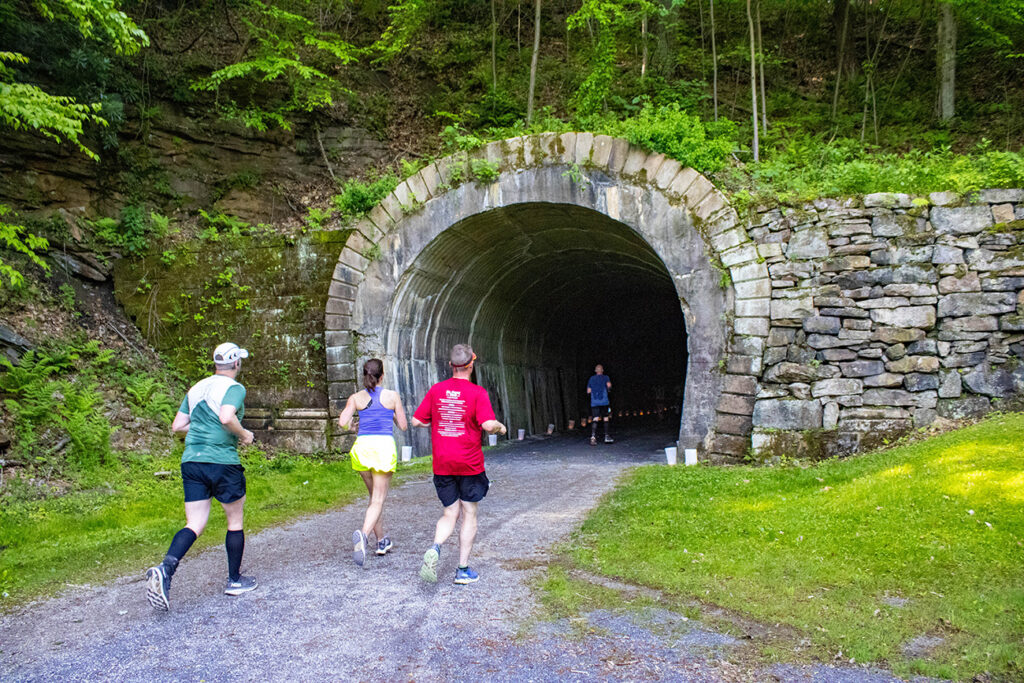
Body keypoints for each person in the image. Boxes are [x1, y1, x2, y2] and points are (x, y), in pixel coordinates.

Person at [146, 342, 257, 611]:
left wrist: (200, 431)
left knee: (194, 522)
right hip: (222, 461)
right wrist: (245, 436)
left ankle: (166, 569)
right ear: (236, 363)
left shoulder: (196, 388)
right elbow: (226, 416)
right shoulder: (235, 388)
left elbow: (178, 426)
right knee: (234, 520)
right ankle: (234, 580)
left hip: (191, 461)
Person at [412, 344, 506, 585]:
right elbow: (487, 425)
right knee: (469, 513)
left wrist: (439, 419)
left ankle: (435, 547)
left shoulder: (436, 390)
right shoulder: (477, 393)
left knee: (450, 513)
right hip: (469, 465)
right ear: (471, 365)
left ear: (451, 366)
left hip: (443, 464)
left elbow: (416, 421)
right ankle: (462, 569)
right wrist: (500, 426)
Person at [337, 358, 408, 567]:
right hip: (382, 448)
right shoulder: (392, 396)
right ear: (382, 376)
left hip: (363, 447)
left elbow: (342, 422)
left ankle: (381, 541)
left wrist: (352, 425)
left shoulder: (356, 398)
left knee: (373, 499)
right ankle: (364, 535)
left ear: (364, 375)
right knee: (378, 500)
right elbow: (403, 425)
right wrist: (393, 415)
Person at [587, 364, 613, 445]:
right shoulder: (606, 377)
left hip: (594, 402)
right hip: (604, 401)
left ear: (595, 371)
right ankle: (606, 436)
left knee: (595, 418)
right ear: (602, 370)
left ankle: (593, 437)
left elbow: (588, 391)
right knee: (605, 418)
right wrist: (608, 390)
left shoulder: (591, 379)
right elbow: (609, 386)